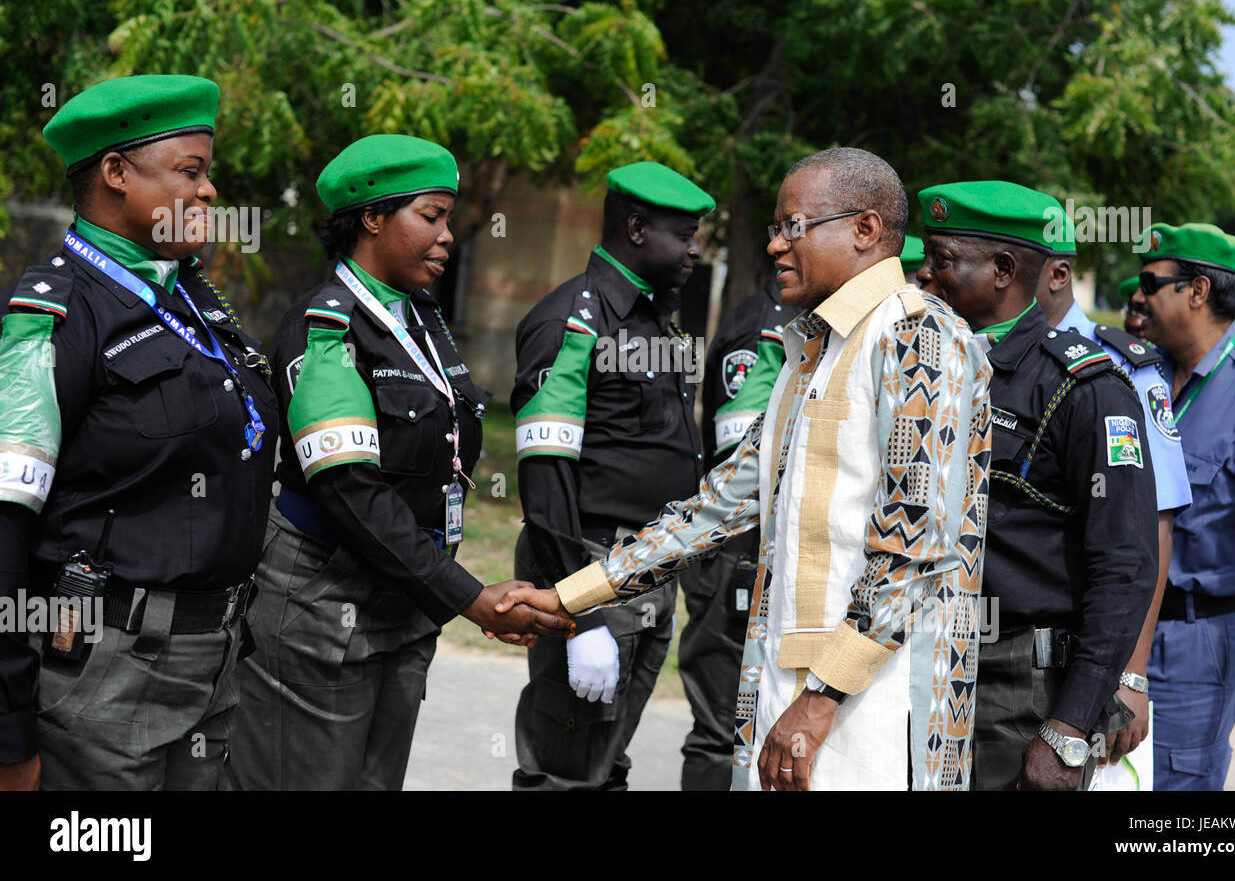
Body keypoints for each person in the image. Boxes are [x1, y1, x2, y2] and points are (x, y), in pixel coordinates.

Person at [505, 147, 993, 791]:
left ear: (865, 230)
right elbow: (715, 508)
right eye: (775, 228)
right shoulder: (807, 354)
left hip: (878, 708)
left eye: (793, 226)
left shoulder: (920, 338)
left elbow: (913, 549)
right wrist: (569, 596)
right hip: (791, 692)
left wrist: (820, 702)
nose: (775, 247)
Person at [224, 134, 572, 791]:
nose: (448, 236)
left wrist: (444, 593)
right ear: (373, 218)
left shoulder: (421, 319)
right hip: (326, 601)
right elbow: (352, 493)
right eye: (431, 216)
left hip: (407, 598)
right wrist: (470, 596)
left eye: (449, 218)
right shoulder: (326, 328)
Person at [0, 74, 278, 790]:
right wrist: (9, 729)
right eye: (191, 171)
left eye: (208, 172)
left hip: (212, 663)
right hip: (104, 676)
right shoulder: (51, 319)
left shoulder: (191, 299)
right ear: (116, 173)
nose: (211, 192)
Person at [916, 179, 1159, 791]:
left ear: (1001, 270)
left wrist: (1069, 729)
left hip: (1019, 689)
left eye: (942, 260)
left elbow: (1126, 565)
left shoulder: (1084, 388)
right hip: (921, 663)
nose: (924, 274)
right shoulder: (926, 366)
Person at [509, 160, 712, 791]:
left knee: (606, 763)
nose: (696, 250)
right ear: (636, 228)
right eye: (685, 235)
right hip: (592, 566)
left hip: (646, 569)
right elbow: (545, 478)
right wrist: (582, 615)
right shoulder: (573, 320)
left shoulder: (655, 320)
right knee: (565, 772)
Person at [1129, 223, 1235, 790]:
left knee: (1175, 796)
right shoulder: (1138, 374)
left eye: (1152, 283)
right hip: (1120, 626)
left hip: (1196, 639)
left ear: (1197, 291)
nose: (1136, 296)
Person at [1037, 236, 1191, 777]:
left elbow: (1154, 523)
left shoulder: (1123, 366)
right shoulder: (984, 350)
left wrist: (1132, 675)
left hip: (1092, 648)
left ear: (1055, 273)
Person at [680, 268, 787, 790]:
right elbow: (744, 475)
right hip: (736, 560)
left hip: (760, 559)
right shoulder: (764, 330)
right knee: (723, 730)